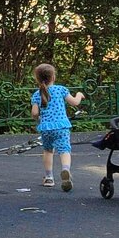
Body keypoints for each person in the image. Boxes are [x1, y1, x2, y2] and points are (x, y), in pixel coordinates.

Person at [31, 63, 85, 191]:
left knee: (48, 150)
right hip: (61, 126)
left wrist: (39, 119)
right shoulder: (61, 90)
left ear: (38, 79)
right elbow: (75, 102)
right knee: (64, 150)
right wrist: (79, 95)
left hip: (46, 128)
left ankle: (49, 177)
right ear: (53, 77)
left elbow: (34, 113)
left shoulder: (37, 94)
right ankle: (65, 170)